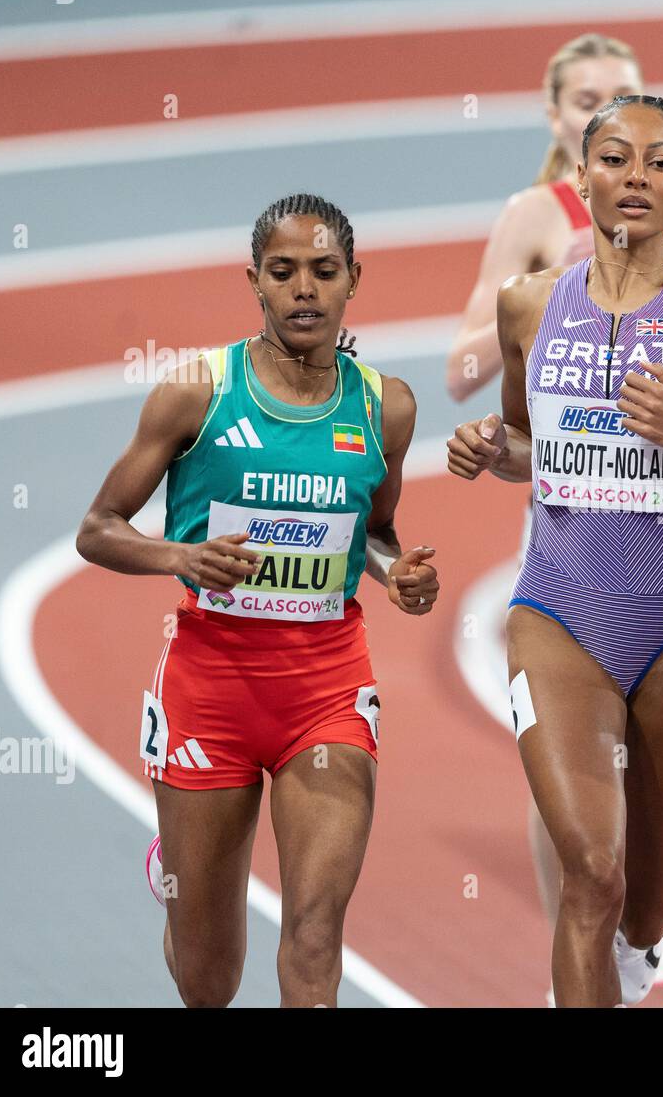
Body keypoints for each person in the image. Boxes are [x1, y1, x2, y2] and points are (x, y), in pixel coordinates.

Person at [448, 95, 663, 1007]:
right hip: (556, 611)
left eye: (656, 162)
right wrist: (491, 450)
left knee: (644, 912)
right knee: (590, 871)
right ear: (583, 174)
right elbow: (530, 444)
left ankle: (640, 954)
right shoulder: (529, 306)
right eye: (613, 158)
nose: (634, 177)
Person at [76, 194, 438, 1007]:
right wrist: (182, 555)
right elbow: (96, 529)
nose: (304, 288)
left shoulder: (387, 407)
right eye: (284, 273)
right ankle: (182, 880)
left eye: (323, 270)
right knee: (209, 979)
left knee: (314, 936)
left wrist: (395, 573)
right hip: (211, 688)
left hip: (326, 691)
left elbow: (375, 532)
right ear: (256, 283)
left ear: (353, 281)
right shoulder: (195, 393)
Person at [445, 33, 644, 402]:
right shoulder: (533, 213)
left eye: (625, 99)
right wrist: (551, 290)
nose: (611, 116)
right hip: (575, 440)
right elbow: (461, 374)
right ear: (555, 117)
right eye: (588, 102)